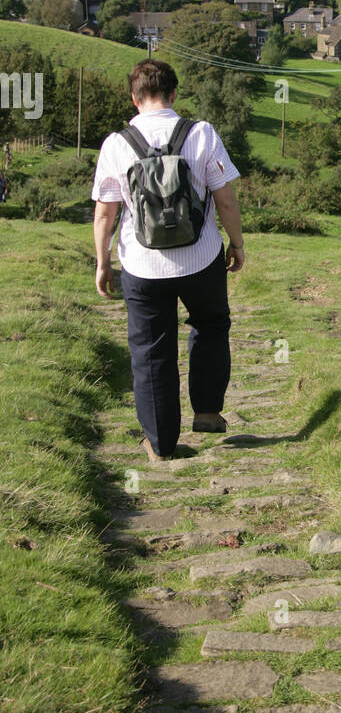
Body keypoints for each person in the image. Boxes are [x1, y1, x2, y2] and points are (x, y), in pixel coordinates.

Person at [91, 59, 245, 462]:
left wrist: (102, 263)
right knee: (210, 327)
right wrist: (237, 243)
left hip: (141, 267)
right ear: (174, 94)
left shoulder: (115, 144)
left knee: (150, 349)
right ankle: (208, 411)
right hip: (201, 258)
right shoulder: (201, 133)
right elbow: (225, 198)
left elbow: (106, 213)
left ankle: (160, 443)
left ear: (134, 98)